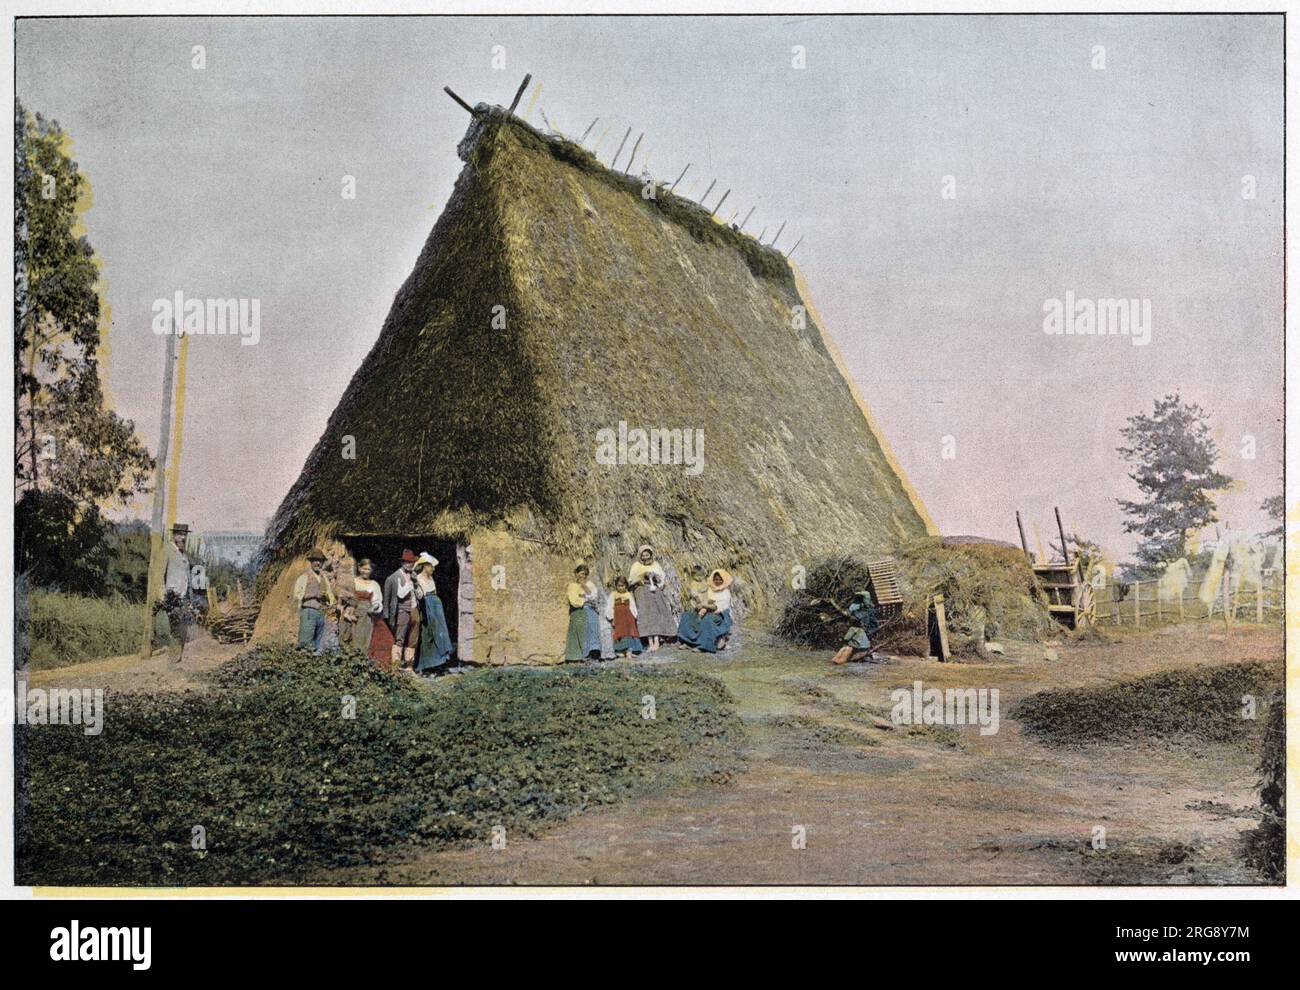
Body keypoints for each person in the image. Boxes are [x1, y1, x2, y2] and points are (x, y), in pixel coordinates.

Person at [629, 545, 676, 652]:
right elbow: (631, 579)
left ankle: (657, 641)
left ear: (651, 555)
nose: (645, 557)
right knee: (646, 614)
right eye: (643, 555)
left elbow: (662, 578)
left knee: (656, 613)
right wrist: (642, 575)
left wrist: (655, 577)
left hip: (654, 590)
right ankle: (650, 642)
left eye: (647, 555)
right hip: (641, 590)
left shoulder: (655, 565)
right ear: (640, 556)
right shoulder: (636, 565)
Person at [413, 552, 453, 675]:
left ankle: (439, 663)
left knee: (439, 633)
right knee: (428, 634)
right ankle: (427, 664)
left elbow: (434, 591)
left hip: (436, 607)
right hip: (427, 607)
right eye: (431, 566)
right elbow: (420, 595)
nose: (433, 569)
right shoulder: (418, 578)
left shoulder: (431, 578)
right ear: (424, 566)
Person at [383, 549, 420, 671]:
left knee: (413, 638)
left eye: (412, 562)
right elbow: (395, 597)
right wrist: (387, 616)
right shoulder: (393, 578)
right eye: (407, 562)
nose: (410, 564)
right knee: (400, 638)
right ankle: (396, 668)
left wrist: (415, 582)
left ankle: (409, 667)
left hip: (414, 609)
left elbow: (419, 595)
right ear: (402, 563)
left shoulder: (414, 576)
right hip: (402, 610)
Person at [293, 550, 336, 652]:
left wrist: (328, 599)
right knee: (305, 641)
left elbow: (330, 596)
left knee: (318, 643)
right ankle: (303, 663)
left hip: (321, 612)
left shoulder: (324, 578)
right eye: (315, 560)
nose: (318, 563)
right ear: (311, 562)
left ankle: (314, 664)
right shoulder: (304, 577)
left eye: (320, 561)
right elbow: (297, 594)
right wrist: (313, 595)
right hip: (309, 611)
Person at [829, 590, 880, 665]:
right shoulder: (860, 608)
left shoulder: (858, 608)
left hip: (860, 639)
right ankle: (837, 660)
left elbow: (848, 636)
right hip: (860, 636)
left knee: (847, 648)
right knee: (847, 648)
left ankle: (838, 660)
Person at [695, 568, 734, 655]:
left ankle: (705, 646)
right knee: (688, 616)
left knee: (707, 620)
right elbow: (706, 600)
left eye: (720, 579)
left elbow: (721, 607)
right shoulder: (710, 590)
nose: (717, 581)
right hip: (709, 610)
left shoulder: (726, 592)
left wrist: (706, 608)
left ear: (723, 580)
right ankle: (689, 640)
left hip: (721, 614)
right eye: (716, 579)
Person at [350, 558, 384, 657]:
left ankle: (362, 662)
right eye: (363, 568)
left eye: (368, 569)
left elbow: (377, 601)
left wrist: (375, 607)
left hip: (367, 615)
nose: (365, 571)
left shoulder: (374, 584)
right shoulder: (353, 581)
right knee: (353, 637)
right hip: (353, 613)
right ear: (359, 568)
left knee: (365, 638)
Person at [606, 575, 643, 658]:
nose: (621, 588)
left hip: (628, 618)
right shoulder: (613, 594)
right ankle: (621, 651)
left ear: (626, 586)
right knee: (620, 634)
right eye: (619, 586)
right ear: (616, 586)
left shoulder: (628, 594)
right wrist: (611, 617)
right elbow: (610, 606)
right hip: (618, 618)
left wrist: (634, 615)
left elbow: (632, 605)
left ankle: (630, 651)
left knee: (629, 633)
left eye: (622, 586)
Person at [676, 565, 710, 647]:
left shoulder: (704, 582)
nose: (699, 578)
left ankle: (700, 641)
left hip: (705, 604)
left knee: (702, 620)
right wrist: (697, 597)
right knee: (687, 618)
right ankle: (686, 640)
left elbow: (707, 589)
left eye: (701, 575)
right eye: (697, 576)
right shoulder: (694, 583)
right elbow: (693, 592)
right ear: (693, 576)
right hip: (696, 604)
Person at [564, 564, 593, 662]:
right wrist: (584, 601)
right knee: (576, 632)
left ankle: (583, 656)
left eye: (585, 574)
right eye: (581, 573)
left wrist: (584, 587)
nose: (583, 576)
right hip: (577, 612)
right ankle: (573, 657)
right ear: (576, 574)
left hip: (585, 611)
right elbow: (573, 600)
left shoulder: (586, 586)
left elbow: (591, 595)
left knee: (584, 632)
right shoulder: (572, 586)